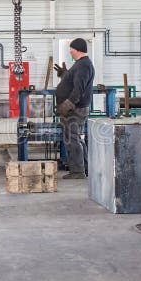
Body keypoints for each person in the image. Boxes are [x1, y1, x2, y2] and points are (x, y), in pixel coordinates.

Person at [54, 38, 95, 179]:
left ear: (77, 50)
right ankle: (85, 168)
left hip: (75, 110)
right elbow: (74, 82)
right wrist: (65, 75)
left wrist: (68, 105)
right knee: (77, 138)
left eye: (71, 49)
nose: (70, 52)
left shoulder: (83, 65)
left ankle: (77, 172)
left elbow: (79, 89)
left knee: (72, 139)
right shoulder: (80, 64)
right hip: (75, 108)